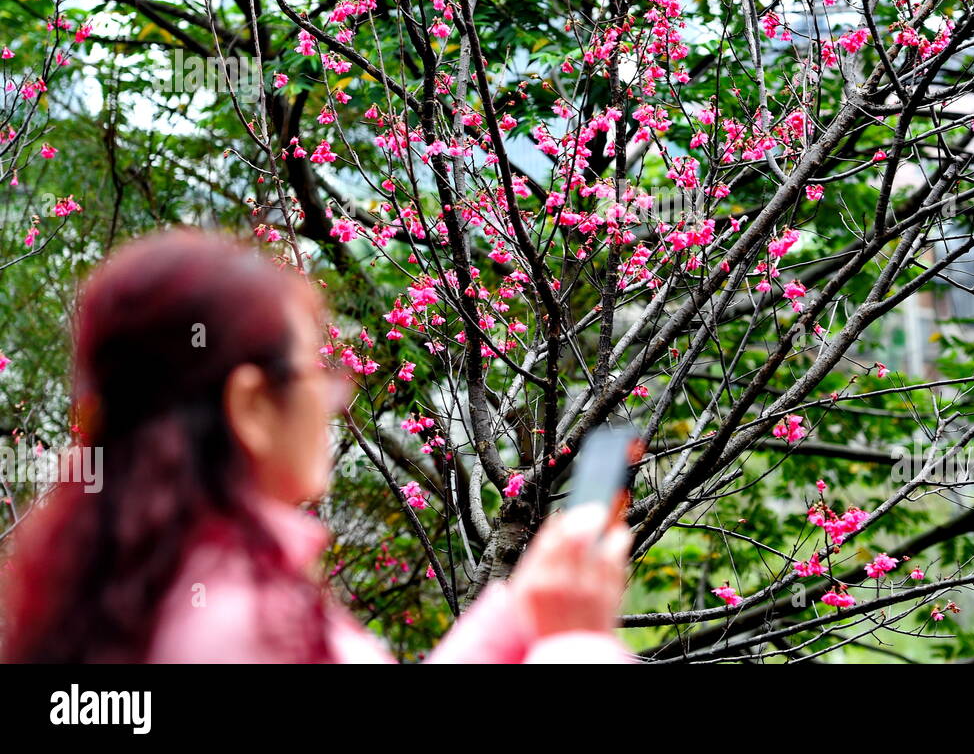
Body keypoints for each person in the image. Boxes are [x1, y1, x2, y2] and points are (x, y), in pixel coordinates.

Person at [1, 229, 633, 663]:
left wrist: (523, 612)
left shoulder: (136, 579)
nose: (334, 400)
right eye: (316, 372)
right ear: (250, 406)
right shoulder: (236, 624)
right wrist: (576, 642)